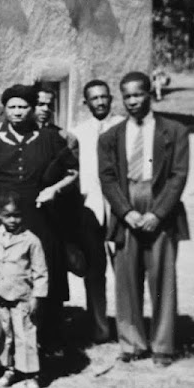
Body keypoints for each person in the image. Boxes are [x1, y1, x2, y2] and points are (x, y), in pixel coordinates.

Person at [0, 84, 78, 355]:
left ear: (32, 109)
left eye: (23, 107)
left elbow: (72, 171)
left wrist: (53, 190)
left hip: (38, 213)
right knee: (2, 272)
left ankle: (44, 339)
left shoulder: (48, 138)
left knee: (42, 270)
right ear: (5, 110)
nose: (18, 112)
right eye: (12, 107)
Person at [99, 71, 189, 367]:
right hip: (126, 206)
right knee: (126, 279)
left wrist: (157, 213)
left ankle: (163, 345)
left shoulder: (174, 131)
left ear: (150, 94)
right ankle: (132, 343)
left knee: (162, 277)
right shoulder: (111, 136)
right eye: (127, 96)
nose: (133, 101)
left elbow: (178, 175)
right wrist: (126, 212)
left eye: (138, 95)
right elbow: (108, 177)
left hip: (159, 204)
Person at [70, 79, 124, 343]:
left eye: (104, 97)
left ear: (111, 99)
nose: (100, 102)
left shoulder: (123, 126)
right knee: (94, 271)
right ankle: (100, 327)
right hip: (90, 208)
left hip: (120, 209)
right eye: (95, 98)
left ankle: (127, 327)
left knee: (123, 270)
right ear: (86, 102)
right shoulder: (78, 133)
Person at [0, 194, 48, 388]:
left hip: (22, 296)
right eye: (7, 215)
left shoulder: (31, 240)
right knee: (4, 334)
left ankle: (30, 374)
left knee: (25, 334)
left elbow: (40, 271)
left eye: (16, 215)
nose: (12, 220)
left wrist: (37, 296)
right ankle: (7, 370)